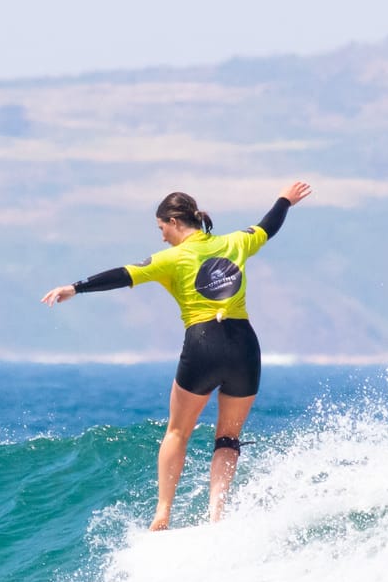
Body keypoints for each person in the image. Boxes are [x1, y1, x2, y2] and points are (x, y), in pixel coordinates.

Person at [42, 181, 312, 529]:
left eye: (161, 229)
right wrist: (285, 200)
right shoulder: (235, 242)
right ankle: (217, 516)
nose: (161, 237)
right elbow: (268, 226)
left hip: (203, 344)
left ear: (173, 221)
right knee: (228, 437)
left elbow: (123, 275)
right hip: (244, 346)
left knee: (177, 431)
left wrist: (75, 288)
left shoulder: (171, 257)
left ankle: (163, 513)